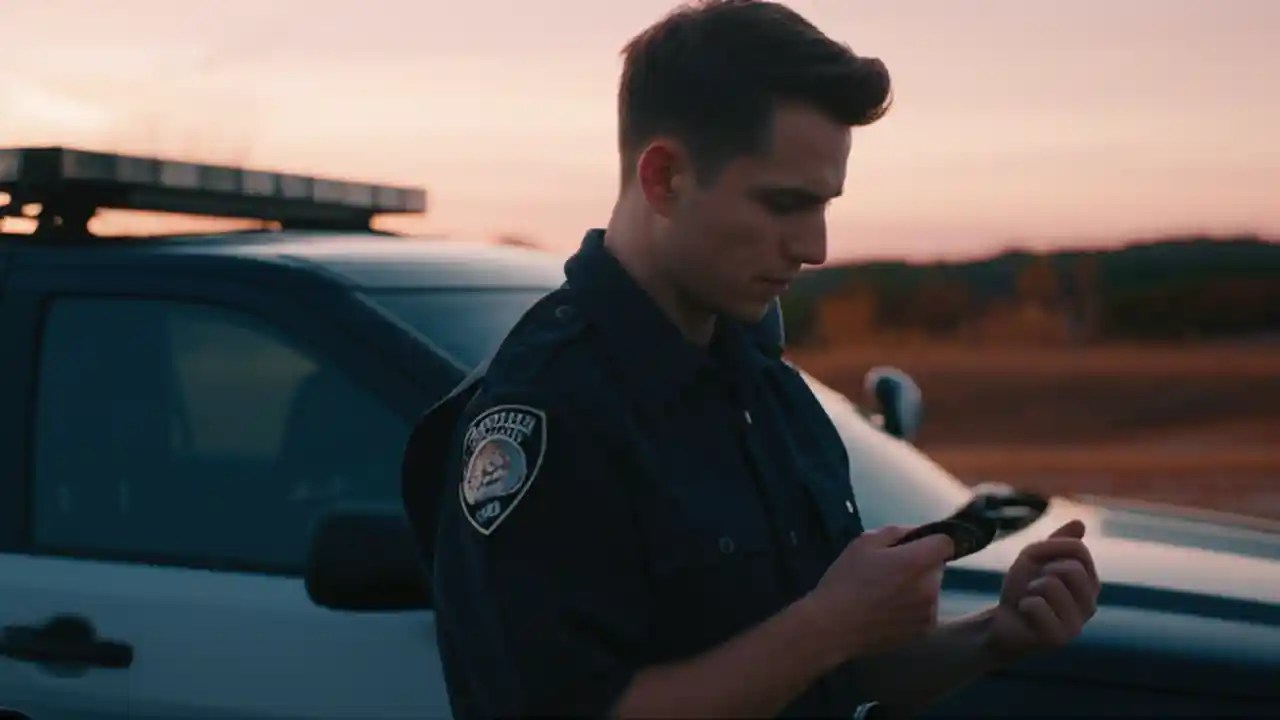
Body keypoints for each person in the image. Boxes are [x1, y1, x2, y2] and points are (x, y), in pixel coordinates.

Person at [402, 1, 1101, 717]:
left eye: (825, 204)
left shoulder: (767, 391)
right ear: (665, 178)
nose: (815, 246)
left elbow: (831, 680)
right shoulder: (549, 414)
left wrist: (993, 636)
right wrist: (827, 627)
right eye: (783, 204)